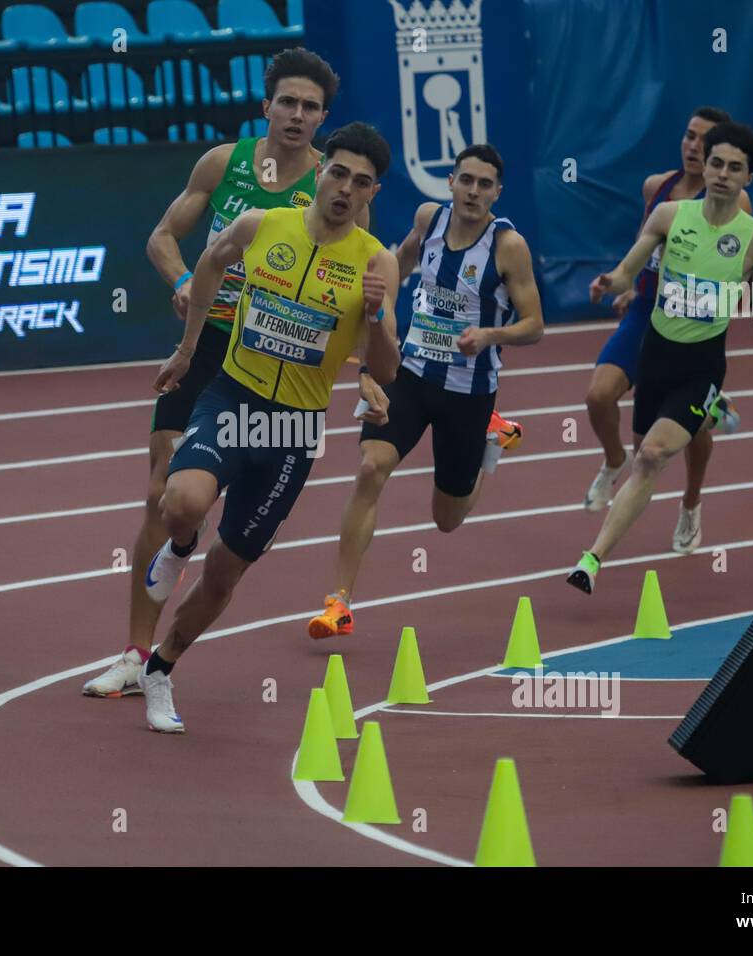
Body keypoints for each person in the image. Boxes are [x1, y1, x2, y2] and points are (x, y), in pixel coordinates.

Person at [82, 48, 352, 698]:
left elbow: (347, 287)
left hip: (268, 366)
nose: (296, 114)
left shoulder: (333, 185)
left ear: (322, 118)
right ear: (266, 105)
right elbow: (160, 237)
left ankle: (167, 652)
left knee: (231, 525)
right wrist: (182, 281)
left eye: (310, 106)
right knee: (161, 493)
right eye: (286, 101)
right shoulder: (223, 163)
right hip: (206, 347)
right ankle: (132, 651)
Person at [136, 122, 401, 732]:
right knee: (181, 500)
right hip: (233, 397)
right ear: (321, 173)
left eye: (361, 183)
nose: (345, 188)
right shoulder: (264, 224)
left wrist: (379, 313)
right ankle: (179, 547)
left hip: (294, 432)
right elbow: (208, 262)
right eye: (337, 173)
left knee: (226, 572)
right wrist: (187, 347)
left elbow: (385, 367)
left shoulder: (376, 261)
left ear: (372, 193)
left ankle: (161, 669)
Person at [306, 143, 543, 639]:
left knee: (447, 519)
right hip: (409, 376)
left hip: (468, 392)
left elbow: (534, 325)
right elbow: (397, 267)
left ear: (497, 192)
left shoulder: (507, 246)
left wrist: (491, 336)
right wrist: (378, 328)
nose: (473, 191)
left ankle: (490, 444)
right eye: (466, 180)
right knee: (371, 468)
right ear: (451, 181)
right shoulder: (428, 219)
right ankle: (339, 602)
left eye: (484, 184)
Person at [567, 122, 753, 594]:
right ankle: (708, 428)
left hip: (701, 365)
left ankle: (593, 559)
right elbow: (630, 267)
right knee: (640, 454)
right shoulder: (670, 215)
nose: (723, 174)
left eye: (736, 168)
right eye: (716, 163)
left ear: (748, 178)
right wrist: (610, 282)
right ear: (705, 166)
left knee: (651, 456)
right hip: (655, 355)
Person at [583, 107, 753, 554]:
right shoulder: (657, 188)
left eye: (704, 142)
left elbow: (739, 260)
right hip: (647, 312)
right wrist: (624, 284)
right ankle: (613, 459)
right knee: (599, 394)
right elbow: (647, 244)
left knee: (691, 430)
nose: (694, 147)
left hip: (695, 324)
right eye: (689, 136)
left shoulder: (735, 202)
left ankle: (691, 502)